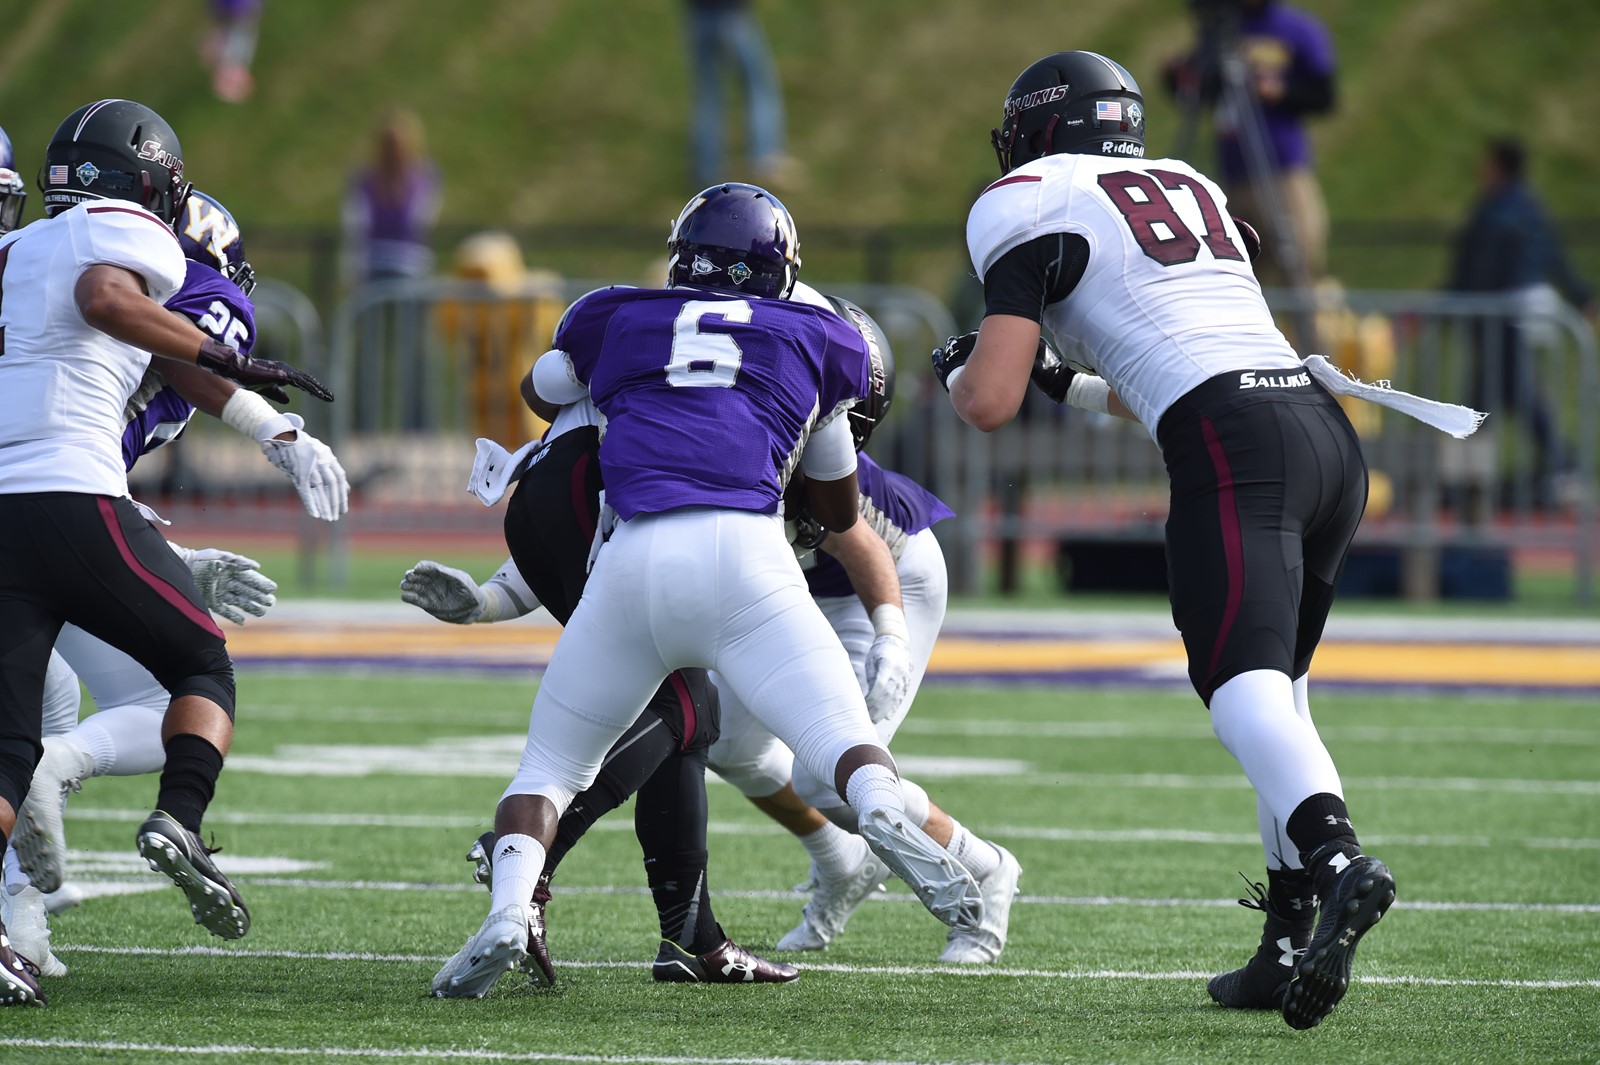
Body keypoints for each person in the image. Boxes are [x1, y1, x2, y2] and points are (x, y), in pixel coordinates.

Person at [931, 53, 1481, 1031]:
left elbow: (987, 403)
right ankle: (1286, 940)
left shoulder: (1022, 199)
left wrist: (960, 371)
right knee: (1282, 689)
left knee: (1238, 688)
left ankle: (1340, 856)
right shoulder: (1193, 187)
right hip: (1317, 428)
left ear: (1040, 129)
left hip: (1236, 442)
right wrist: (1063, 380)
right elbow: (1168, 363)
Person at [430, 182, 980, 999]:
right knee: (838, 736)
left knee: (546, 768)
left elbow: (541, 393)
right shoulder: (816, 337)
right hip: (745, 555)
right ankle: (878, 807)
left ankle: (512, 907)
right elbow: (835, 509)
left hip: (630, 557)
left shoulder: (615, 315)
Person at [0, 99, 331, 1006]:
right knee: (188, 669)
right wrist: (257, 388)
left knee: (21, 731)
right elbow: (115, 310)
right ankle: (158, 821)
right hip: (64, 496)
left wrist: (261, 426)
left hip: (21, 505)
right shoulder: (136, 249)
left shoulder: (17, 253)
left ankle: (15, 928)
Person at [706, 283, 1022, 964]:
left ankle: (988, 870)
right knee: (727, 741)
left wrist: (892, 639)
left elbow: (861, 548)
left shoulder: (815, 457)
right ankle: (841, 857)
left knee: (831, 774)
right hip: (800, 582)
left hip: (883, 582)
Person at [1448, 137, 1594, 499]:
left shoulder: (1493, 211)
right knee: (1495, 394)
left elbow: (1476, 269)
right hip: (1529, 313)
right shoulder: (1530, 207)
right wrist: (1583, 298)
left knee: (1503, 396)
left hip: (1502, 315)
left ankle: (1560, 467)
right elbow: (1554, 256)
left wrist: (1450, 303)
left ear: (1496, 166)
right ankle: (1465, 478)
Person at [1167, 0, 1336, 283]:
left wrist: (1280, 92)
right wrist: (1178, 76)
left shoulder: (1297, 28)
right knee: (1235, 268)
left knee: (1300, 260)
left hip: (1282, 167)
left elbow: (1324, 96)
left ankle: (1308, 326)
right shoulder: (1222, 31)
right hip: (1232, 172)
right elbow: (1201, 91)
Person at [682, 0, 796, 190]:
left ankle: (706, 171)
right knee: (760, 86)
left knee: (708, 97)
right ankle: (765, 162)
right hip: (732, 15)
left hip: (697, 17)